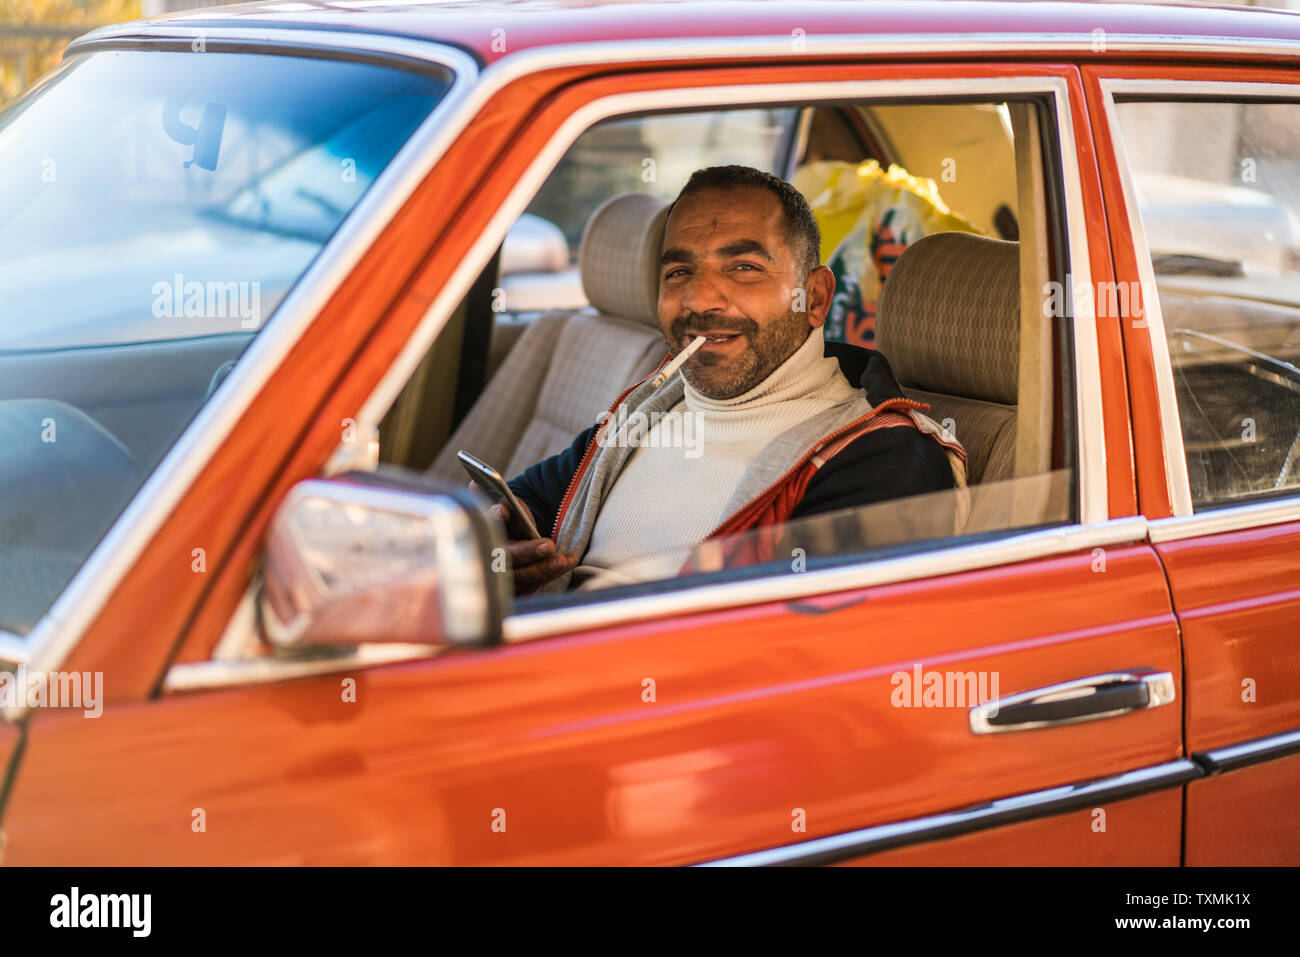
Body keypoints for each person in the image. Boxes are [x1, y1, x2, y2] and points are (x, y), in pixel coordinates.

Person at [494, 165, 966, 593]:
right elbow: (534, 499)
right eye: (679, 272)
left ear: (816, 299)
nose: (700, 300)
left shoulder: (884, 459)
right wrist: (498, 540)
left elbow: (801, 661)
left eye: (744, 268)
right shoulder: (655, 401)